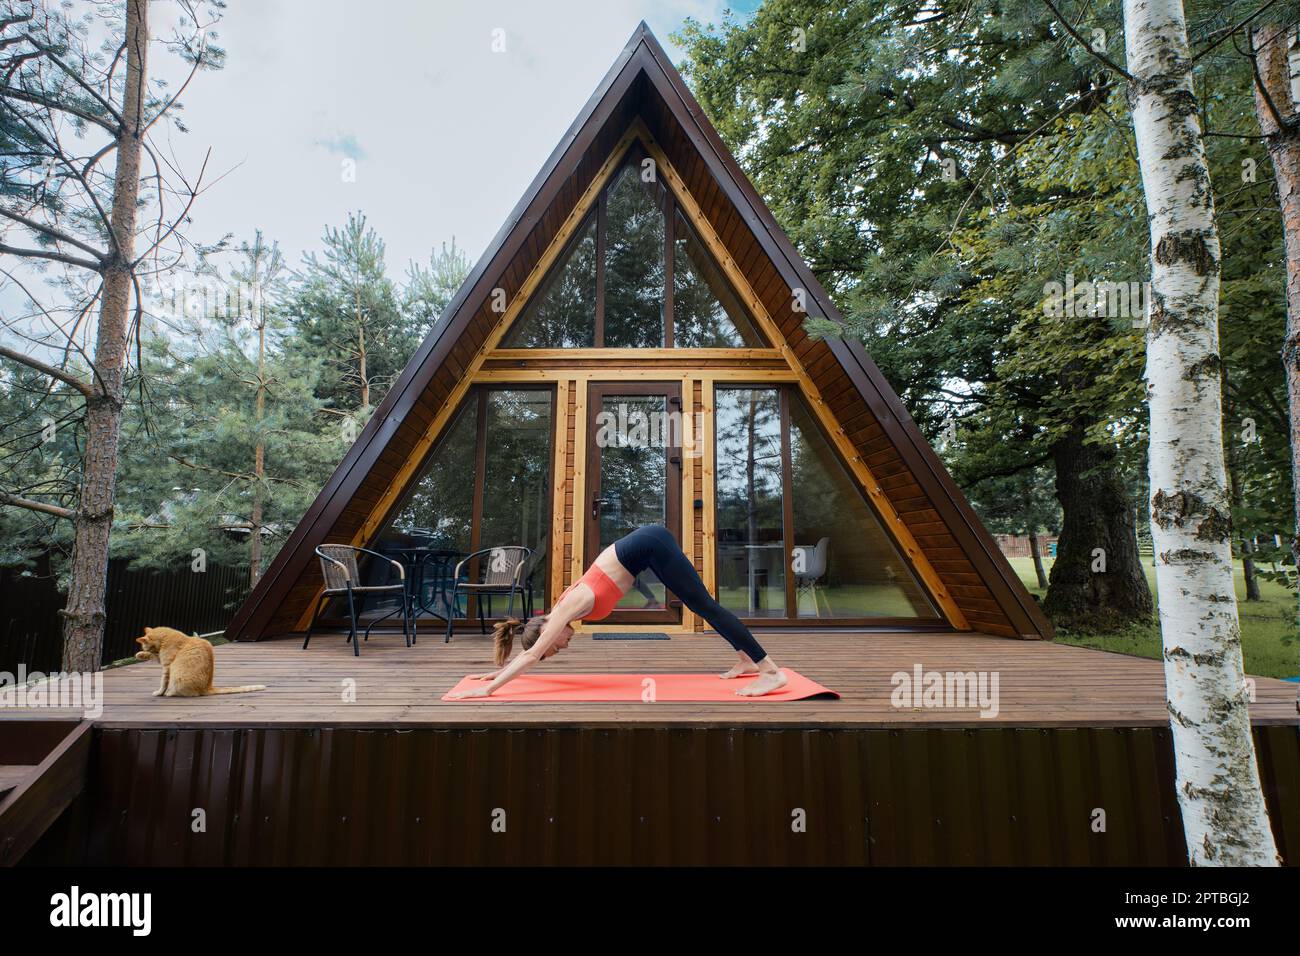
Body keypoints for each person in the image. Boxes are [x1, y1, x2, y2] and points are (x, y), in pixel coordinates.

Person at [446, 524, 787, 698]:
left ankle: (770, 670)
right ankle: (745, 658)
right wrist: (497, 671)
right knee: (702, 606)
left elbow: (531, 656)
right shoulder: (563, 612)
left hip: (650, 544)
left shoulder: (564, 610)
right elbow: (531, 653)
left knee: (704, 607)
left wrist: (488, 689)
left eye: (555, 647)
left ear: (546, 632)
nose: (563, 647)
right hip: (646, 548)